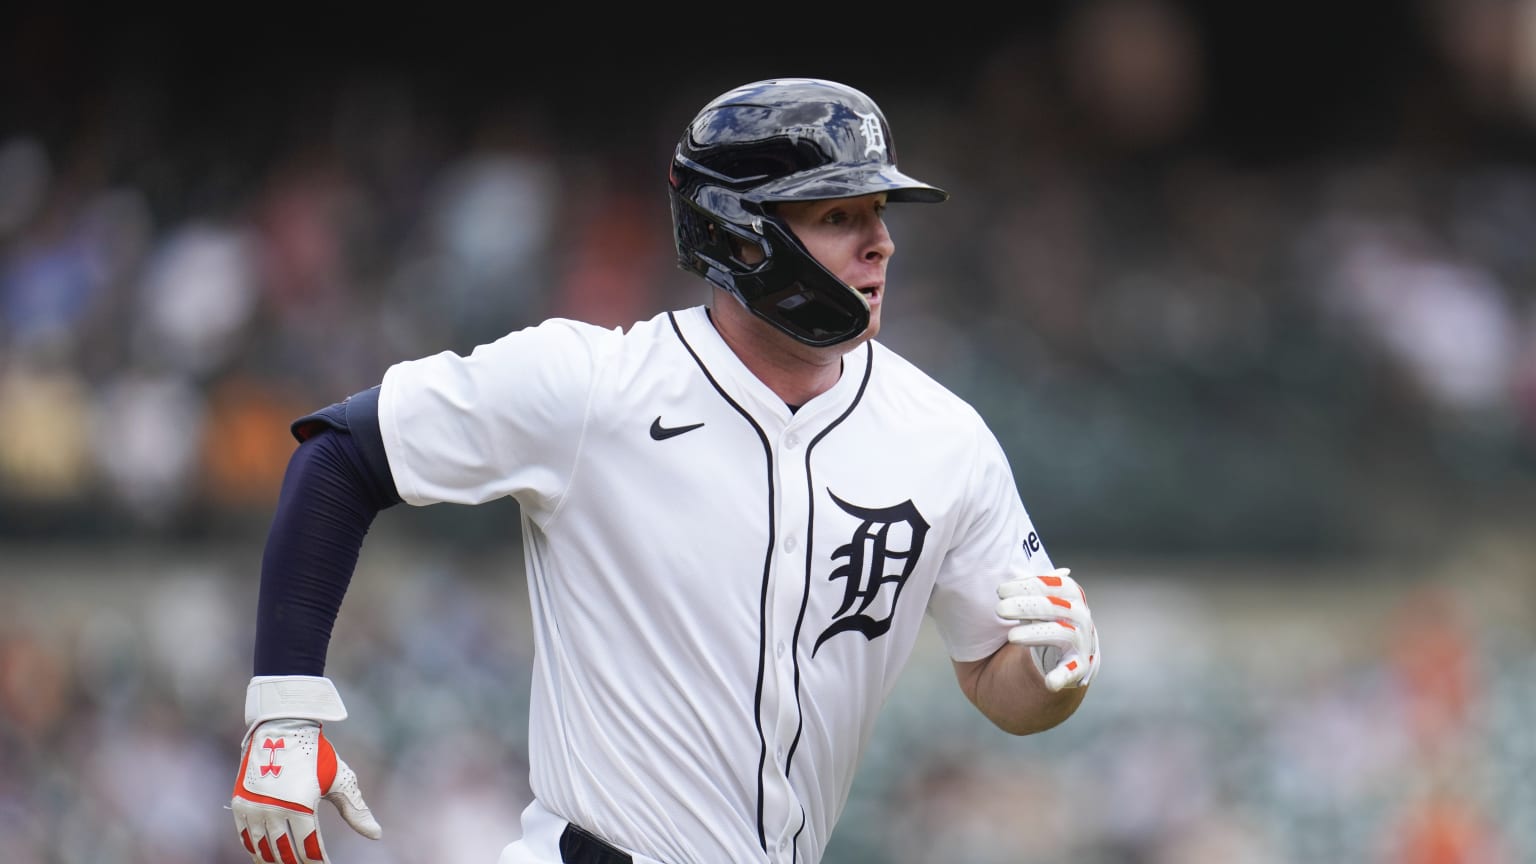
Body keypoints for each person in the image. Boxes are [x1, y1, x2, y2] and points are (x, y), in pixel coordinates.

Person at [230, 77, 1100, 864]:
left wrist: (1058, 671)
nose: (881, 245)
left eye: (879, 214)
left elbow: (1001, 682)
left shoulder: (944, 436)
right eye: (839, 216)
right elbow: (340, 452)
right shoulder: (593, 386)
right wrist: (284, 703)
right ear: (742, 235)